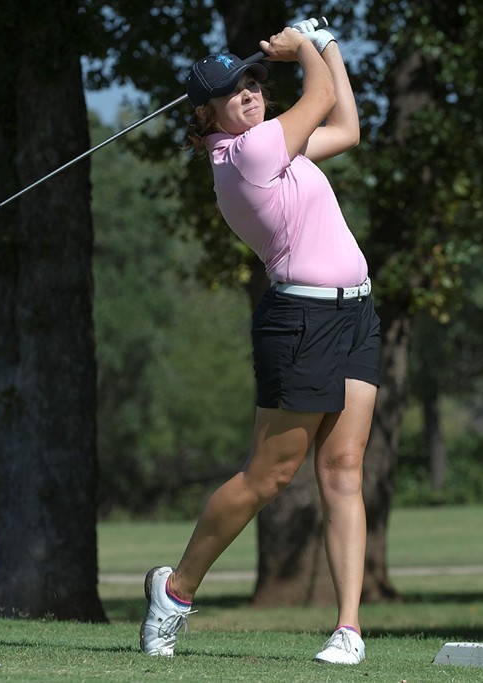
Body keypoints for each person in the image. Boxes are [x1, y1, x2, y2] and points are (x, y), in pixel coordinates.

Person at [139, 21, 379, 666]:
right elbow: (322, 100)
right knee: (269, 476)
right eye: (231, 91)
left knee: (344, 470)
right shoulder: (248, 154)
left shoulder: (281, 147)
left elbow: (348, 127)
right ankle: (176, 590)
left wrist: (325, 43)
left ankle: (348, 629)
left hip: (356, 314)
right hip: (300, 322)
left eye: (251, 83)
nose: (247, 94)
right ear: (205, 114)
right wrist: (306, 49)